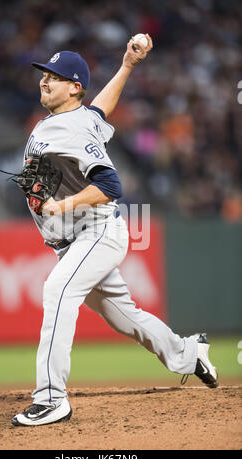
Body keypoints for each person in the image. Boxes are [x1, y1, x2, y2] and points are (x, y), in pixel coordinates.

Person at [12, 35, 218, 427]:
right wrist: (127, 65)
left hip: (95, 232)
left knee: (57, 291)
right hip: (75, 239)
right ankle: (189, 353)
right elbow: (100, 111)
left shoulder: (71, 127)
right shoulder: (76, 118)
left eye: (54, 76)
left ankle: (52, 398)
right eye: (43, 74)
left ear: (74, 87)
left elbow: (110, 187)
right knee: (126, 317)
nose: (44, 80)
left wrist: (63, 204)